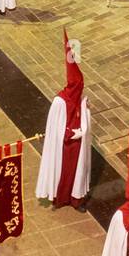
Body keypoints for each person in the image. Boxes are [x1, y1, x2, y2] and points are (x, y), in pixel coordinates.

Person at [35, 31, 91, 212]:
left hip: (77, 146)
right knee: (64, 173)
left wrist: (85, 114)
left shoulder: (79, 100)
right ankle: (60, 197)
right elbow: (55, 131)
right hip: (64, 148)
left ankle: (76, 199)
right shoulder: (60, 102)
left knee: (76, 173)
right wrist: (71, 133)